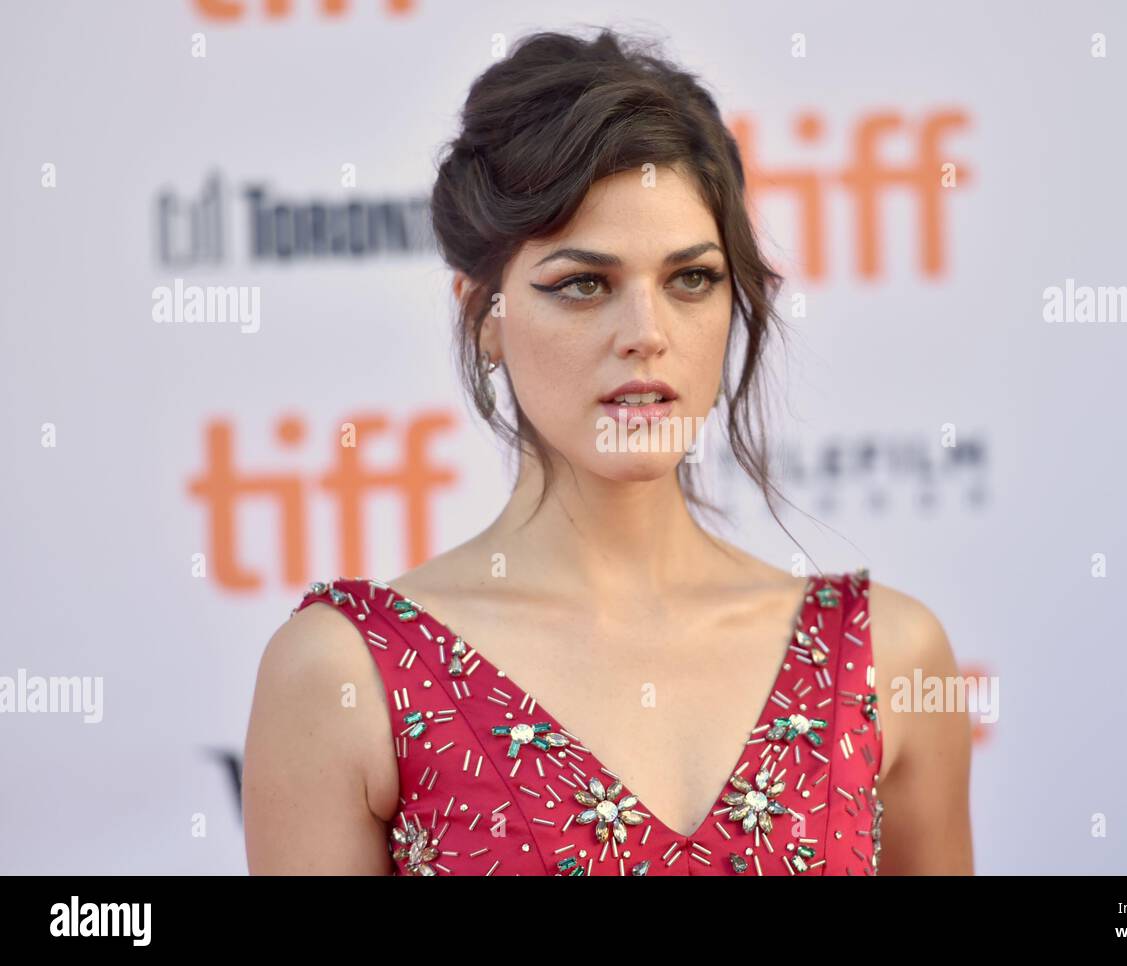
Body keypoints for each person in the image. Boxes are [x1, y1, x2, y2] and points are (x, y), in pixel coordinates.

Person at [242, 27, 972, 876]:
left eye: (690, 279)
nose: (647, 335)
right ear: (486, 317)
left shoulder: (888, 656)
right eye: (583, 284)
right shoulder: (344, 680)